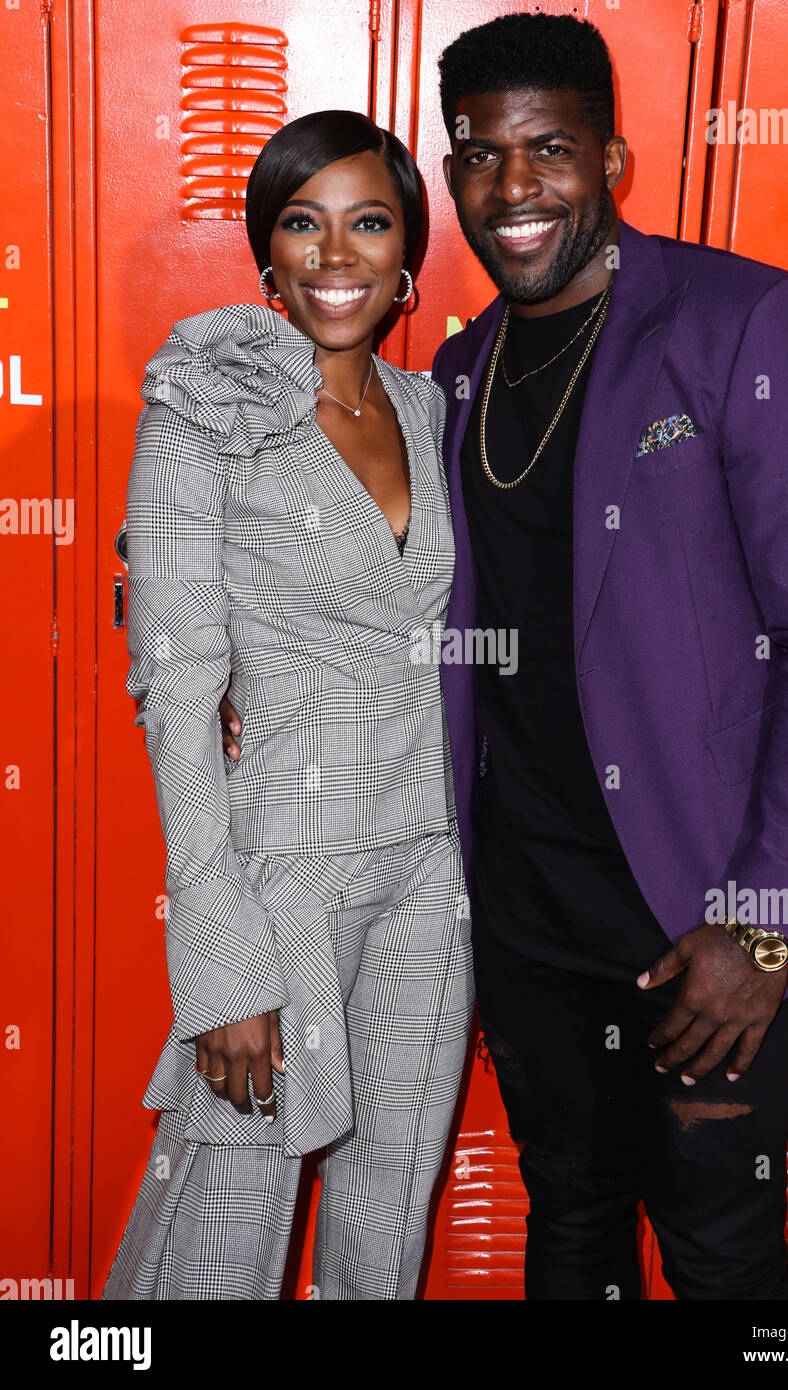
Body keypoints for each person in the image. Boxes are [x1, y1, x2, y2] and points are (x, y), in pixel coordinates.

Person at [422, 11, 788, 1300]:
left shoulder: (746, 321)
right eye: (478, 154)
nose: (512, 187)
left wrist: (760, 930)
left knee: (720, 1251)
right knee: (570, 1223)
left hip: (701, 908)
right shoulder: (461, 370)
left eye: (549, 149)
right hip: (528, 915)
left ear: (614, 159)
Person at [101, 110, 473, 1301]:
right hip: (284, 873)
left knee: (389, 1210)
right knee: (224, 1222)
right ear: (267, 253)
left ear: (407, 252)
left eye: (367, 223)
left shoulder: (433, 412)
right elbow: (177, 686)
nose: (334, 256)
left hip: (433, 867)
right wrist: (219, 967)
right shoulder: (202, 407)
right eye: (302, 225)